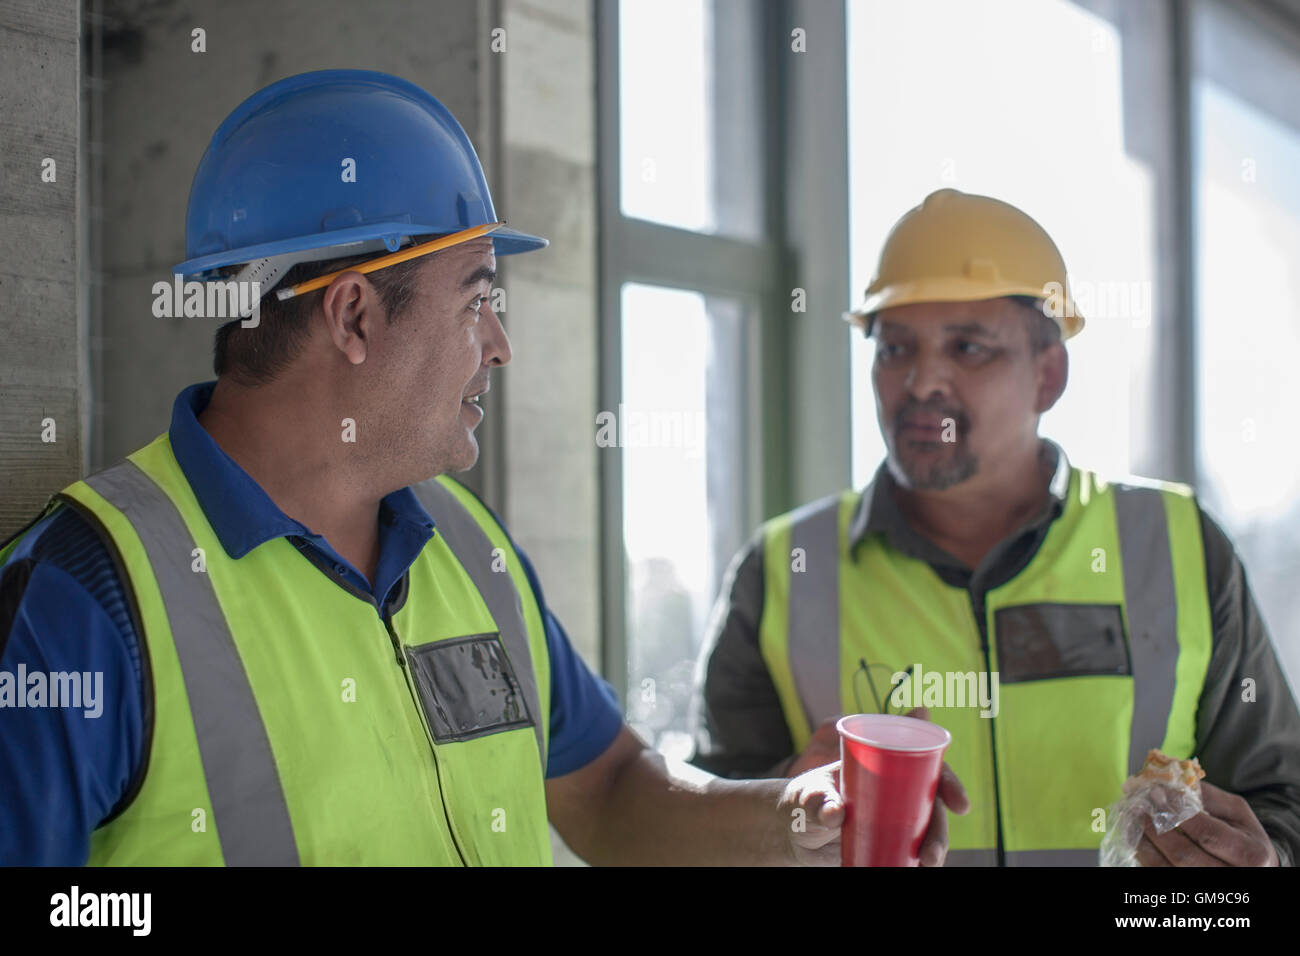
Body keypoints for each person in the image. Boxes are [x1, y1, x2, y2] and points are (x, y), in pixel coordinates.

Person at [0, 70, 965, 866]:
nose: (499, 346)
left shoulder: (469, 545)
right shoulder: (81, 600)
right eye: (476, 299)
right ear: (353, 316)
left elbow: (612, 793)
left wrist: (794, 812)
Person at [689, 188, 1300, 867]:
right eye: (894, 348)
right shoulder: (782, 570)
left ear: (1049, 374)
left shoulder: (1177, 543)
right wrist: (778, 811)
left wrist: (1262, 859)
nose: (921, 383)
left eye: (968, 348)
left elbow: (1283, 799)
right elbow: (698, 828)